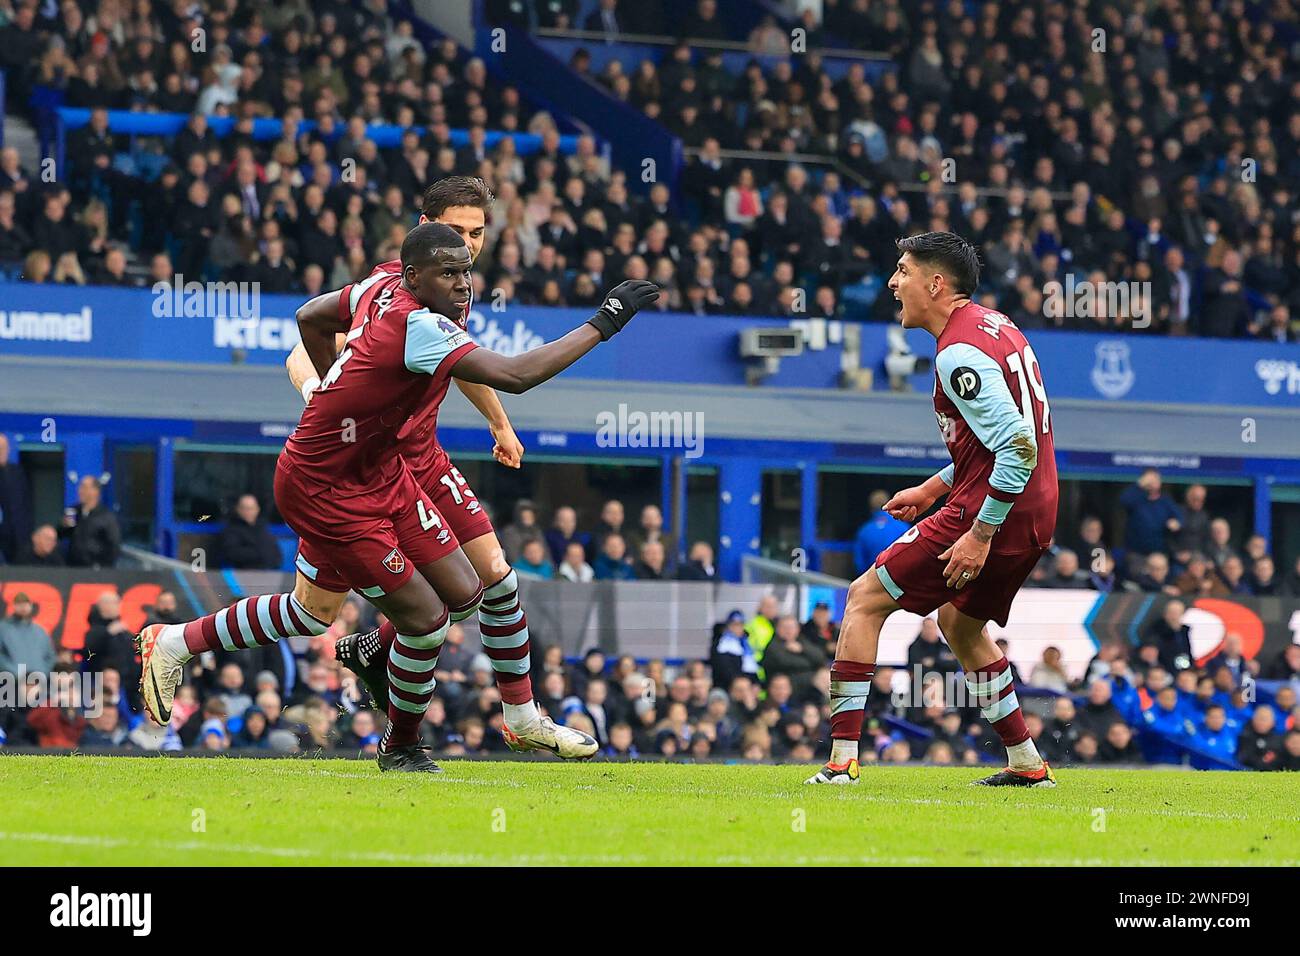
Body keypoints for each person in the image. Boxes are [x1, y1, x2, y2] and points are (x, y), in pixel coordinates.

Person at [138, 221, 657, 772]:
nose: (463, 282)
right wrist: (606, 321)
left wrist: (335, 393)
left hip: (381, 471)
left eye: (467, 269)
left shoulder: (379, 285)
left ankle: (199, 643)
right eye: (449, 271)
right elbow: (516, 373)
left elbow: (311, 316)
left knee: (457, 594)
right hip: (326, 489)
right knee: (425, 619)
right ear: (415, 273)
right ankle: (401, 746)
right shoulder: (417, 324)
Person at [807, 232, 1059, 788]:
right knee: (959, 623)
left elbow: (1017, 446)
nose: (894, 283)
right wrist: (931, 488)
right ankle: (1027, 764)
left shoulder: (959, 354)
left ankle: (841, 761)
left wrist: (980, 532)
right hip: (1036, 510)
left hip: (996, 511)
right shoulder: (999, 328)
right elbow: (1001, 442)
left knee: (863, 599)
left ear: (936, 283)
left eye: (902, 271)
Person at [1119, 469, 1181, 574]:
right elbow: (1124, 500)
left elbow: (1179, 518)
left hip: (1159, 554)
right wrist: (1140, 484)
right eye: (1150, 479)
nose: (1153, 482)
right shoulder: (1137, 499)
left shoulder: (1165, 501)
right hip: (1137, 554)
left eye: (1156, 479)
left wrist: (1176, 523)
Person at [761, 615, 827, 703]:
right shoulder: (773, 645)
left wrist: (802, 649)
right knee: (821, 677)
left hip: (804, 678)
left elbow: (820, 657)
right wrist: (809, 661)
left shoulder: (801, 641)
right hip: (785, 680)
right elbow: (786, 662)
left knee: (826, 674)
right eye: (785, 627)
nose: (789, 630)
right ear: (778, 629)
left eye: (792, 627)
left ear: (797, 629)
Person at [61, 475, 121, 568]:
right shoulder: (72, 510)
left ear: (95, 491)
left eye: (84, 487)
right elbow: (61, 535)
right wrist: (64, 526)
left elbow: (114, 546)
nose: (80, 491)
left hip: (95, 570)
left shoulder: (106, 516)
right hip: (73, 569)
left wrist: (102, 566)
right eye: (80, 487)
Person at [217, 493, 283, 569]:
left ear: (257, 509)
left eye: (251, 508)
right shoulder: (231, 530)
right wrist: (260, 554)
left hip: (269, 574)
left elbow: (276, 554)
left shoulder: (263, 529)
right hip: (241, 575)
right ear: (237, 509)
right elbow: (231, 554)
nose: (248, 512)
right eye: (245, 508)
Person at [852, 489, 909, 575]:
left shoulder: (864, 530)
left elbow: (859, 564)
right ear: (890, 504)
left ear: (870, 508)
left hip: (873, 581)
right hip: (900, 579)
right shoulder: (903, 527)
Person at [0, 592, 54, 679]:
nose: (23, 607)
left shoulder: (40, 631)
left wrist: (42, 672)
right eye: (19, 604)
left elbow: (50, 656)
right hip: (12, 683)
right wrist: (14, 673)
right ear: (14, 606)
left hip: (37, 683)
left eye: (26, 604)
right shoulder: (3, 629)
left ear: (31, 606)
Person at [0, 433, 31, 564]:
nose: (1, 451)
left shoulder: (17, 473)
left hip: (16, 536)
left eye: (3, 448)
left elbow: (26, 504)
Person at [710, 610, 758, 690]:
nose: (738, 628)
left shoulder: (746, 645)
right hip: (726, 686)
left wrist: (756, 683)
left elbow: (751, 668)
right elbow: (724, 670)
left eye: (740, 625)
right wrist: (739, 681)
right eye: (735, 625)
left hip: (746, 683)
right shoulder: (721, 645)